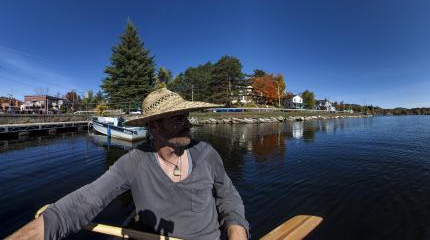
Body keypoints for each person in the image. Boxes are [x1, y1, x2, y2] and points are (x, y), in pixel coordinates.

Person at [8, 88, 250, 240]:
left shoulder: (206, 153)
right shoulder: (134, 163)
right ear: (154, 126)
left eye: (187, 116)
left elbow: (228, 197)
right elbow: (85, 201)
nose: (188, 124)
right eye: (178, 118)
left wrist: (237, 231)